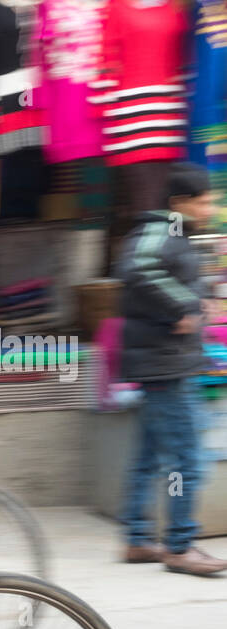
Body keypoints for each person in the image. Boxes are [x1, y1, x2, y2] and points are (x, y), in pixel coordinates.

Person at [117, 161, 227, 576]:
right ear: (179, 202)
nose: (209, 208)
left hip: (164, 360)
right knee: (186, 459)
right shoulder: (161, 230)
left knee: (148, 456)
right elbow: (138, 270)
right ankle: (180, 545)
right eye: (204, 201)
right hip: (165, 365)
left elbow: (159, 276)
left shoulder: (173, 233)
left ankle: (138, 538)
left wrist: (198, 301)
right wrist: (182, 303)